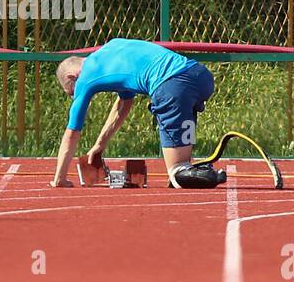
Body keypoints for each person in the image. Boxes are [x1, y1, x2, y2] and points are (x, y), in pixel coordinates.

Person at [49, 38, 226, 189]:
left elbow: (72, 133)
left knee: (176, 173)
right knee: (182, 159)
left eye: (71, 93)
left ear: (73, 77)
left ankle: (202, 173)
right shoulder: (112, 46)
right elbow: (124, 104)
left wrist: (59, 178)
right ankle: (190, 168)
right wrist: (99, 145)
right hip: (199, 75)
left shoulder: (85, 78)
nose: (75, 96)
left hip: (171, 85)